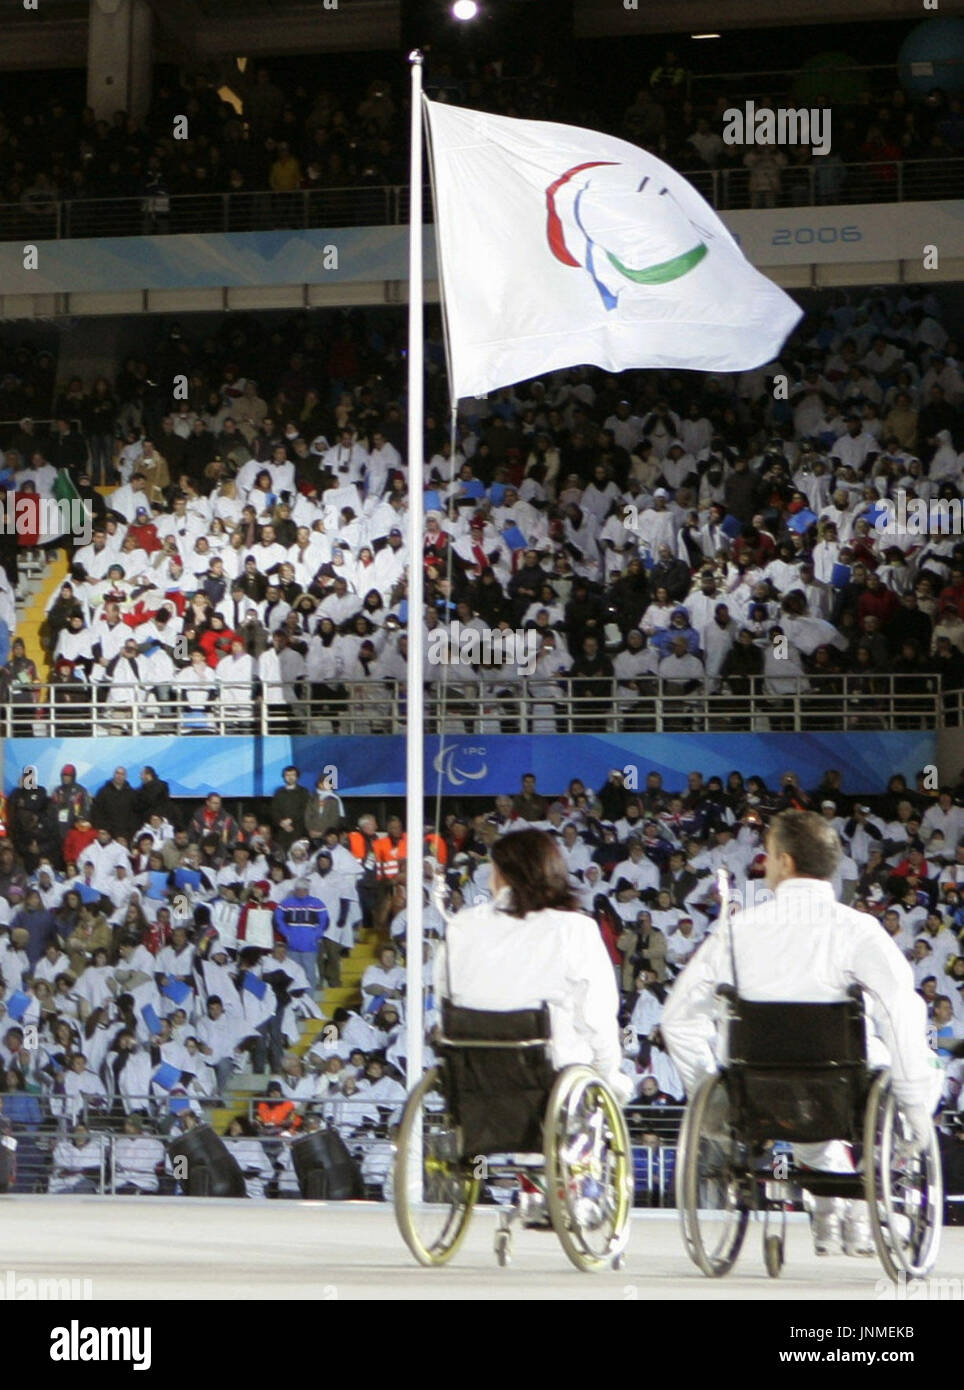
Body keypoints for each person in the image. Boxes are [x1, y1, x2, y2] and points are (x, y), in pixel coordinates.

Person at [662, 809, 942, 1259]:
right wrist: (914, 1108)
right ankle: (855, 1200)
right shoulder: (859, 930)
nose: (764, 865)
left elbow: (676, 1020)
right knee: (906, 1068)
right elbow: (901, 1015)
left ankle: (836, 1207)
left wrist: (713, 1099)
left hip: (759, 1090)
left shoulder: (736, 931)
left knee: (802, 1103)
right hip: (844, 1088)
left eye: (768, 857)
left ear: (786, 862)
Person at [435, 827, 631, 1103]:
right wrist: (607, 1072)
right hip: (550, 1077)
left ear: (500, 876)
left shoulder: (461, 926)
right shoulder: (575, 928)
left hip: (474, 1075)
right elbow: (597, 1015)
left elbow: (444, 999)